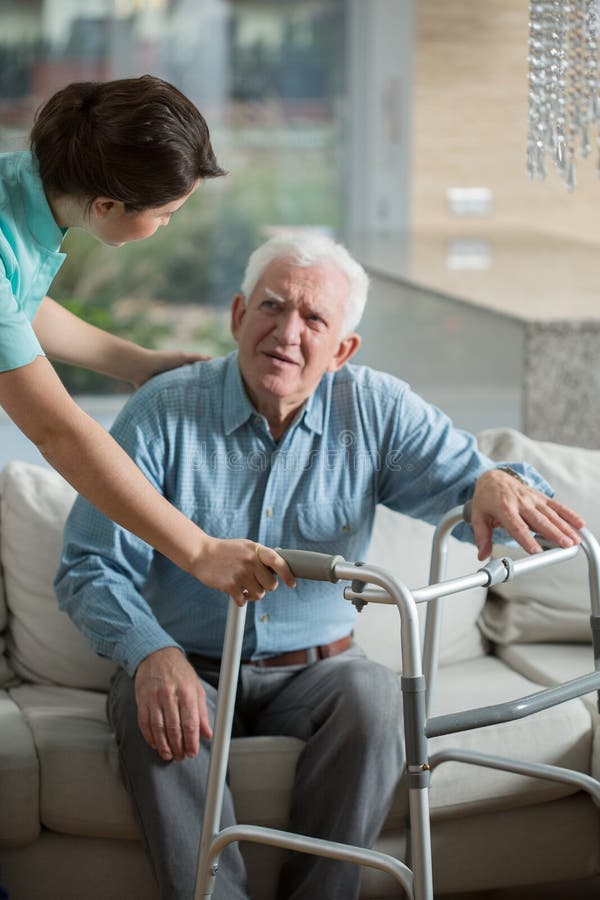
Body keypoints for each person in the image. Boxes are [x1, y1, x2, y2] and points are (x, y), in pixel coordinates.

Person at [55, 232, 584, 900]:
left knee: (378, 699)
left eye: (313, 319)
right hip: (189, 660)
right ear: (238, 315)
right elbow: (89, 565)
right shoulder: (162, 410)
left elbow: (490, 499)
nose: (286, 332)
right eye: (272, 307)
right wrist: (150, 653)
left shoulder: (376, 410)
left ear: (342, 350)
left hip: (318, 671)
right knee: (152, 709)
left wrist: (496, 483)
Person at [0, 74, 292, 603]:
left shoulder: (22, 187)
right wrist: (199, 551)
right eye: (164, 214)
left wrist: (135, 362)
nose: (167, 226)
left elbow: (17, 310)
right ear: (107, 205)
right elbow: (56, 431)